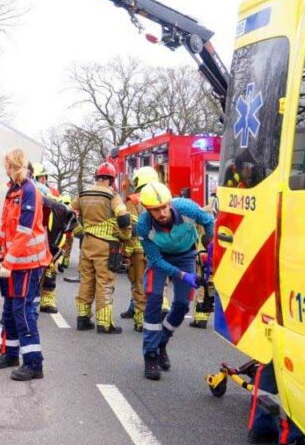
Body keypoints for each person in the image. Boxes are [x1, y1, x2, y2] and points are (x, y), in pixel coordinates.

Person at [136, 181, 214, 380]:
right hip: (160, 259)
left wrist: (212, 244)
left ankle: (162, 340)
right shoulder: (143, 226)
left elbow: (209, 221)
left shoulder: (186, 207)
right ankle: (151, 355)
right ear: (147, 210)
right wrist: (182, 275)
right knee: (153, 299)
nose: (162, 213)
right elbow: (155, 260)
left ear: (170, 203)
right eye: (155, 210)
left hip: (186, 255)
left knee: (182, 304)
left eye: (164, 207)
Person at [0, 148, 52, 381]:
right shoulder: (12, 192)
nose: (4, 170)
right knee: (9, 310)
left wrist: (8, 261)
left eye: (6, 166)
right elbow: (7, 225)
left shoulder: (29, 191)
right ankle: (11, 354)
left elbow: (25, 231)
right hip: (15, 262)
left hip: (28, 263)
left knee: (23, 312)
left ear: (13, 167)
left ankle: (34, 364)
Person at [71, 162, 131, 334]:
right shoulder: (112, 195)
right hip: (106, 245)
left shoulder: (83, 194)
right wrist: (125, 236)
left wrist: (79, 232)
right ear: (111, 180)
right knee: (104, 283)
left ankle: (82, 319)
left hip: (87, 243)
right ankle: (104, 324)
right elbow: (123, 216)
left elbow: (69, 214)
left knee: (86, 280)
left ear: (96, 177)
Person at [119, 166, 158, 332]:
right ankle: (151, 316)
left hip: (139, 249)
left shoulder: (134, 200)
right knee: (154, 284)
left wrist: (125, 252)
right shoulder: (161, 197)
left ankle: (141, 319)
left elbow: (130, 228)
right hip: (158, 249)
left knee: (139, 283)